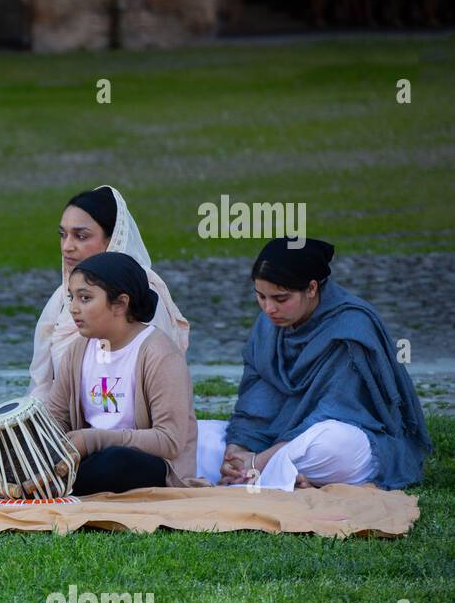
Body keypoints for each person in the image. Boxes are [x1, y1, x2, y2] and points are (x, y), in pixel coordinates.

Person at [210, 238, 431, 491]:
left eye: (281, 298)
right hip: (279, 439)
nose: (269, 308)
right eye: (261, 297)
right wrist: (236, 450)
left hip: (350, 438)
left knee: (331, 445)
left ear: (312, 288)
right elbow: (256, 400)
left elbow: (336, 410)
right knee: (201, 436)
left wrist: (257, 461)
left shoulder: (352, 327)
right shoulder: (268, 325)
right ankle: (277, 474)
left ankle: (270, 471)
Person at [44, 252, 202, 494]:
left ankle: (56, 484)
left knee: (114, 463)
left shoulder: (159, 353)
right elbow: (55, 419)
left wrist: (92, 440)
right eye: (71, 298)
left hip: (149, 466)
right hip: (89, 458)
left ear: (120, 304)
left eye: (85, 298)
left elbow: (169, 441)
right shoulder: (78, 349)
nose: (73, 308)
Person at [29, 185, 189, 402]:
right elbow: (42, 385)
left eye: (81, 236)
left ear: (112, 239)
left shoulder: (141, 293)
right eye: (63, 235)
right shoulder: (61, 298)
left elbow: (158, 386)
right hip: (67, 422)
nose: (67, 246)